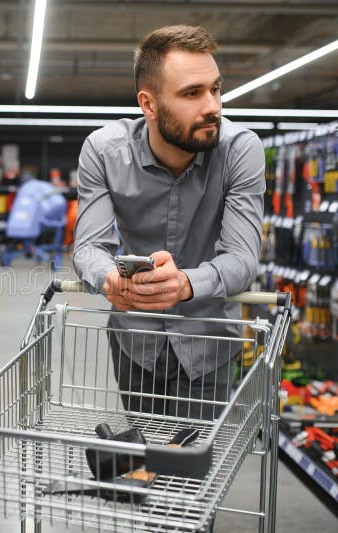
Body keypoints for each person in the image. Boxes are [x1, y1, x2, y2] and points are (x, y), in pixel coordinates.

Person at [73, 25, 265, 421]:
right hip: (135, 339)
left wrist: (186, 284)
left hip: (208, 340)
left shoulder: (240, 150)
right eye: (192, 93)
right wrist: (108, 277)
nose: (212, 106)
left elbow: (243, 259)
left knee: (192, 472)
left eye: (216, 89)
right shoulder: (104, 151)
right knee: (147, 458)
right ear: (149, 104)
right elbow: (89, 247)